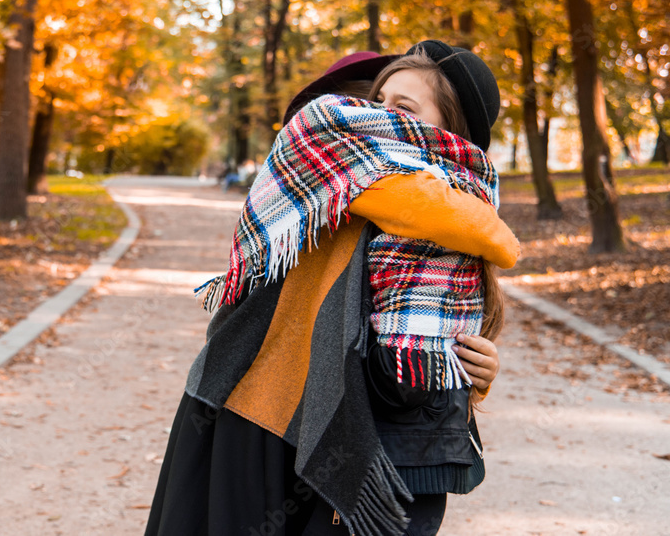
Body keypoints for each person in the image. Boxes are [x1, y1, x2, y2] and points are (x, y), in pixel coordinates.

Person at [145, 41, 518, 536]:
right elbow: (466, 226)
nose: (367, 117)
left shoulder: (443, 229)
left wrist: (473, 369)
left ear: (451, 132)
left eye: (400, 107)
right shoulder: (335, 187)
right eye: (371, 101)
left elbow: (424, 366)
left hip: (364, 445)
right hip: (253, 410)